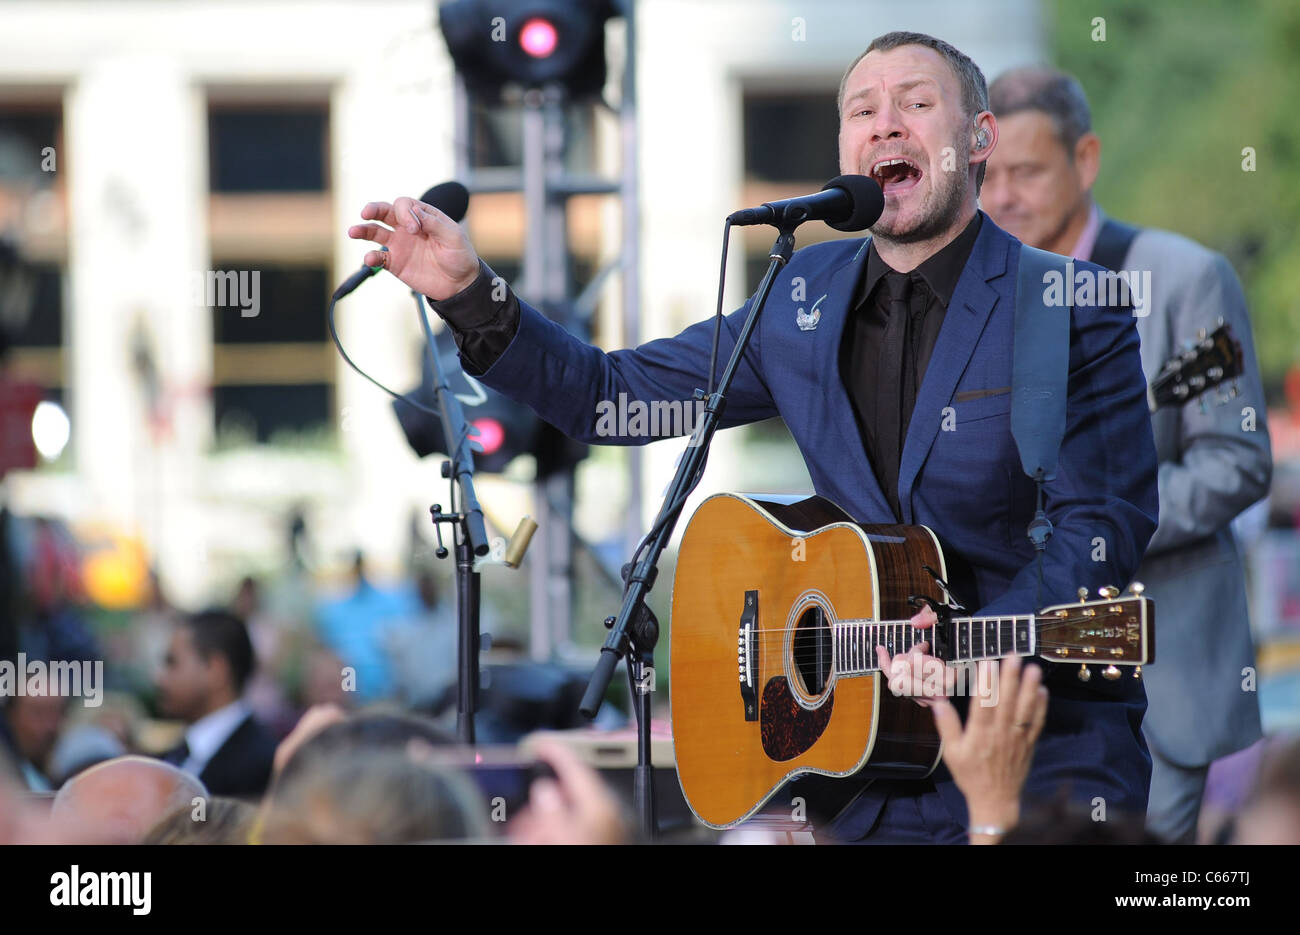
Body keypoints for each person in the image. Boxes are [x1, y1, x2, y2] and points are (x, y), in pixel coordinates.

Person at [348, 31, 1159, 844]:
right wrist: (469, 293)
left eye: (916, 103)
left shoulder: (1070, 304)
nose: (885, 125)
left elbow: (1103, 529)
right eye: (862, 110)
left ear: (979, 139)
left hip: (1042, 762)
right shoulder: (799, 295)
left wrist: (963, 648)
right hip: (861, 767)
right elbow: (610, 396)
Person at [982, 66, 1271, 844]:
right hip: (1011, 676)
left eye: (1027, 171)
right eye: (987, 175)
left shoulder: (1184, 278)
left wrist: (1105, 524)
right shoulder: (976, 297)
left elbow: (1238, 459)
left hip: (1153, 669)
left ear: (1086, 160)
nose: (1002, 195)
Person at [156, 609, 277, 799]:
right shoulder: (175, 755)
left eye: (172, 663)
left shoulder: (261, 767)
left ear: (216, 670)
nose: (160, 679)